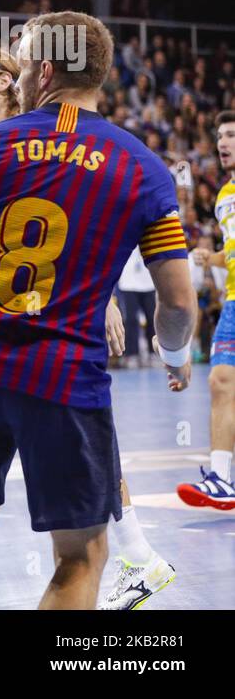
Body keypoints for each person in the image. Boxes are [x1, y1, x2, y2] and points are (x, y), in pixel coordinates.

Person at [0, 14, 197, 610]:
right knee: (81, 555)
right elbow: (176, 301)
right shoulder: (142, 165)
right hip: (65, 378)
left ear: (41, 71)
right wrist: (174, 355)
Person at [180, 110, 235, 512]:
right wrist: (212, 259)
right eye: (219, 136)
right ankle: (221, 478)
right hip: (233, 299)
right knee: (220, 380)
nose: (223, 143)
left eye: (231, 135)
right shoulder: (222, 197)